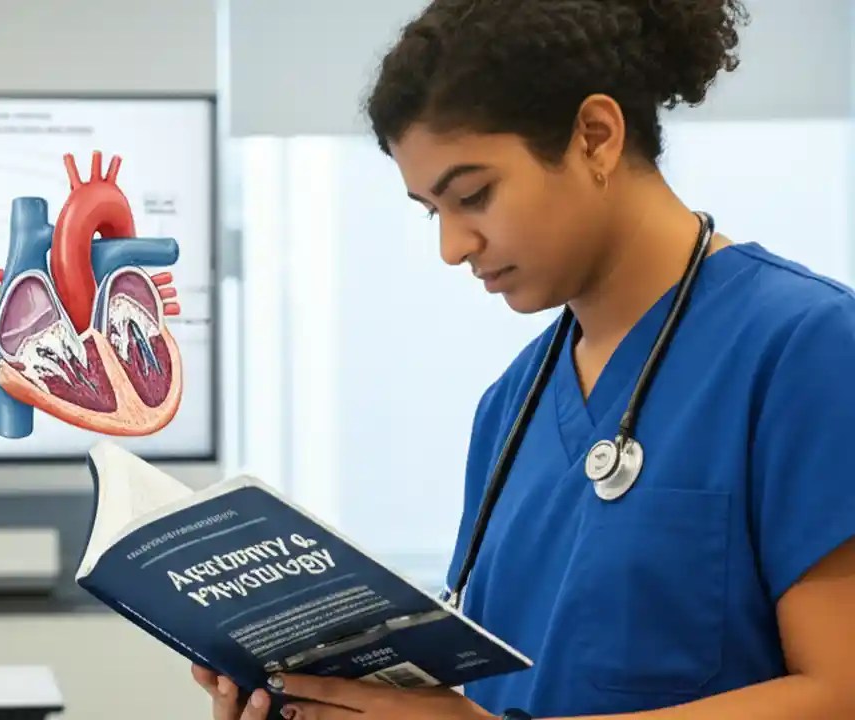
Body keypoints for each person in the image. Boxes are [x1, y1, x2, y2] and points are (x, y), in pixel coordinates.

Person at [194, 0, 855, 718]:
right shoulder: (511, 408)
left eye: (473, 195)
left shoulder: (806, 349)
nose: (452, 247)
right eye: (431, 211)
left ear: (595, 138)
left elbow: (840, 692)